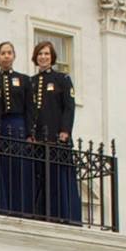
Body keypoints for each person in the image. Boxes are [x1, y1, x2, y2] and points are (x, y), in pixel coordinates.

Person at [29, 40, 79, 221]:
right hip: (38, 137)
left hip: (57, 135)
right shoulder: (31, 82)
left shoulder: (62, 79)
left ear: (52, 58)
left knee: (58, 177)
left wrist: (65, 130)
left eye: (47, 54)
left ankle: (62, 214)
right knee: (38, 176)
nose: (43, 57)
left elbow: (69, 107)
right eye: (40, 54)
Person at [0, 40, 32, 213]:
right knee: (2, 165)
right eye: (3, 53)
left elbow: (30, 108)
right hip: (1, 124)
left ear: (14, 56)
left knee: (19, 166)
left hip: (18, 124)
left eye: (9, 53)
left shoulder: (24, 80)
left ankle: (20, 206)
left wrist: (30, 132)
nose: (6, 56)